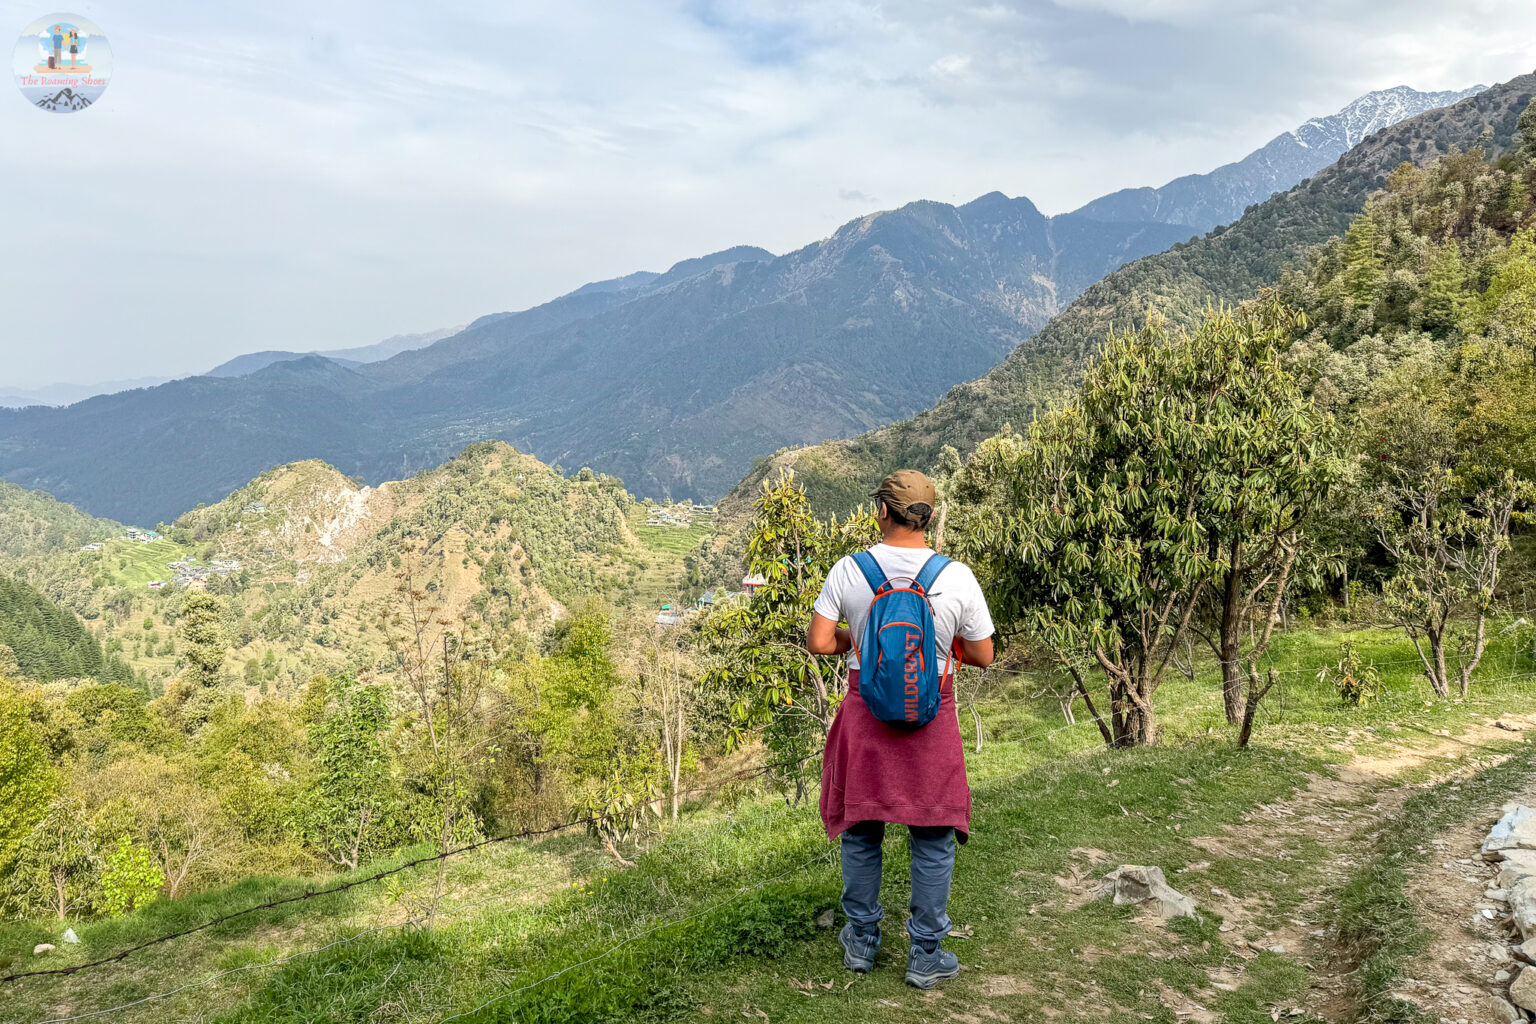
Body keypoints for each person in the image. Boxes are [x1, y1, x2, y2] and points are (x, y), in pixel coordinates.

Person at [808, 469, 995, 989]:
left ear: (881, 512)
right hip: (932, 716)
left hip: (865, 713)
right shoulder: (955, 577)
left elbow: (820, 641)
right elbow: (983, 654)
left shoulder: (850, 570)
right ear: (930, 518)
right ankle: (926, 953)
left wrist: (854, 639)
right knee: (932, 836)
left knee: (862, 830)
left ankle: (862, 940)